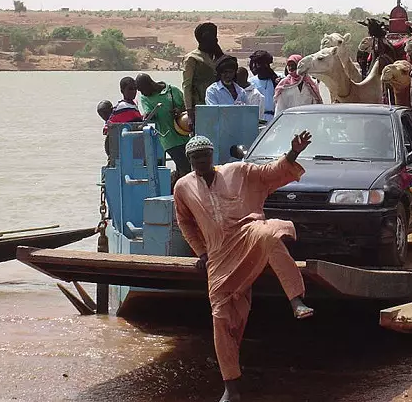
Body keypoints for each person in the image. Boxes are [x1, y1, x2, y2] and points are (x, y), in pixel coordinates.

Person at [173, 133, 315, 402]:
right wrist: (201, 252)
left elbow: (271, 173)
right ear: (189, 160)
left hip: (248, 234)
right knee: (221, 317)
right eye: (195, 158)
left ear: (212, 156)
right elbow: (185, 223)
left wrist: (293, 153)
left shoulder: (238, 171)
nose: (200, 161)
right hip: (218, 254)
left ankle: (296, 299)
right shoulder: (183, 187)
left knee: (268, 234)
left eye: (204, 156)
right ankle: (231, 387)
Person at [135, 73, 191, 178]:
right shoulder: (145, 98)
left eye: (142, 89)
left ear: (150, 84)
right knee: (186, 168)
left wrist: (180, 111)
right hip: (169, 140)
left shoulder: (173, 91)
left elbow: (187, 108)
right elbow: (149, 114)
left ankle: (174, 185)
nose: (142, 93)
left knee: (188, 167)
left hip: (184, 134)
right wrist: (148, 116)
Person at [183, 23, 225, 128]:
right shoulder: (192, 58)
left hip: (220, 107)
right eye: (211, 38)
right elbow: (187, 86)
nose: (215, 40)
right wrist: (190, 114)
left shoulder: (218, 57)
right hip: (201, 107)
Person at [248, 50, 281, 122]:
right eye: (258, 64)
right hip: (255, 119)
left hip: (273, 119)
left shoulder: (276, 81)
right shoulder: (251, 82)